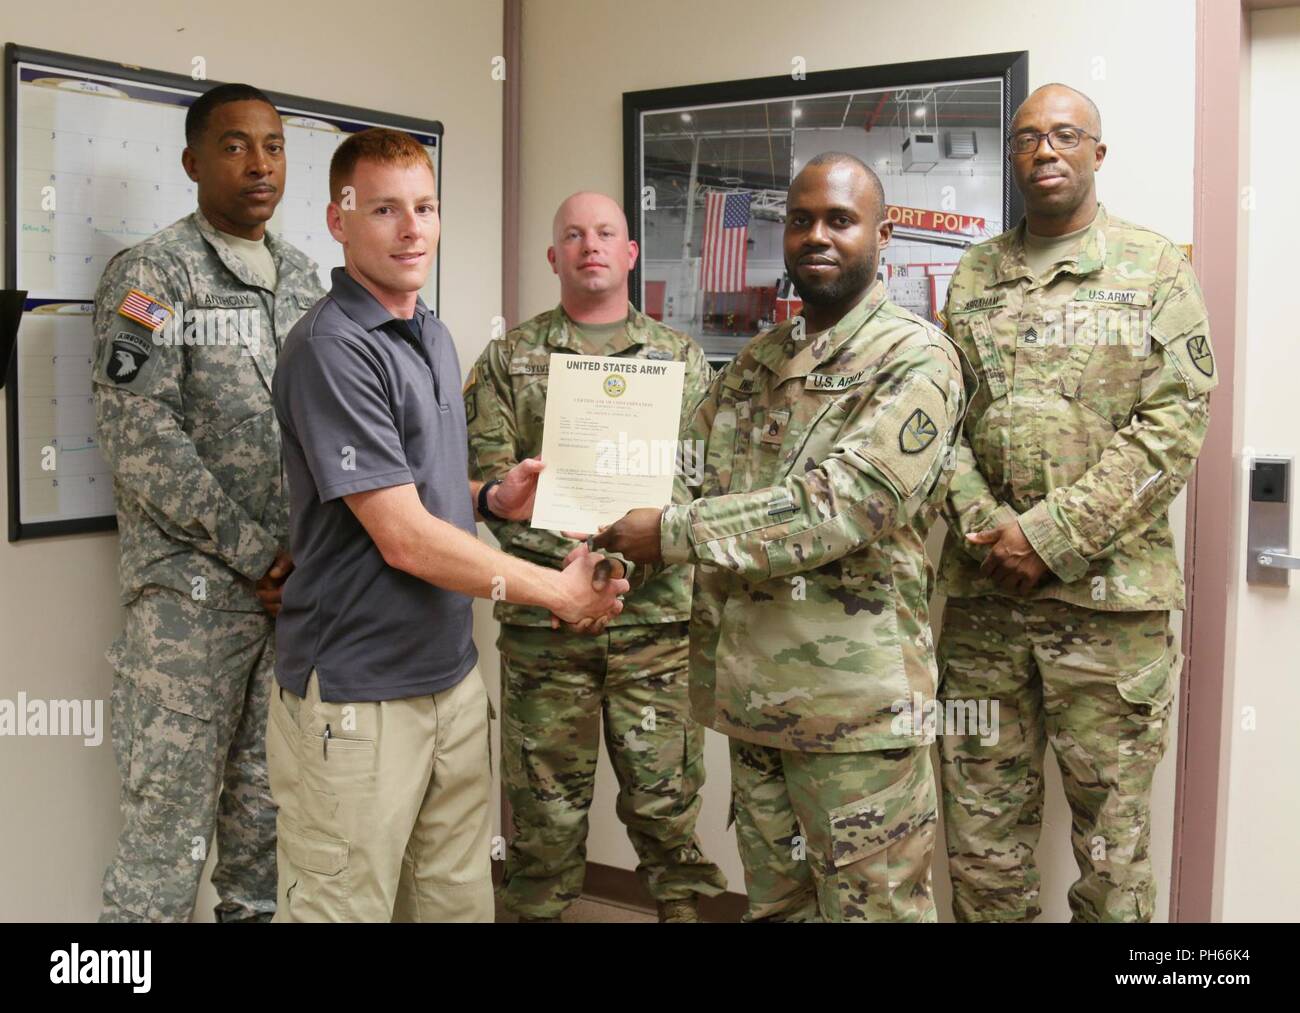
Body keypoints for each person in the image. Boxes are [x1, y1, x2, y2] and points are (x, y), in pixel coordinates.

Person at [589, 153, 969, 921]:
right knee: (776, 907)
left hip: (855, 718)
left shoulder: (916, 357)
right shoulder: (762, 359)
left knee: (875, 912)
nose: (816, 236)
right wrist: (586, 500)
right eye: (801, 220)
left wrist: (665, 530)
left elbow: (840, 505)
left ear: (882, 234)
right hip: (755, 700)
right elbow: (689, 469)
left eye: (839, 219)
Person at [269, 129, 627, 922]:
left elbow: (421, 493)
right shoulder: (333, 348)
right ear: (339, 219)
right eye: (385, 209)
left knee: (455, 902)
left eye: (424, 207)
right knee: (340, 909)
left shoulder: (429, 332)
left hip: (449, 681)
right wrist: (557, 594)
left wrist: (491, 497)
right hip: (361, 696)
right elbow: (401, 535)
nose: (411, 229)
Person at [936, 84, 1217, 922]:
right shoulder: (975, 272)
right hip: (985, 605)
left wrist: (1050, 535)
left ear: (1100, 153)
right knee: (981, 840)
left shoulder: (1156, 266)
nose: (1045, 151)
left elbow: (1174, 424)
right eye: (1027, 139)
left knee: (1113, 848)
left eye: (1065, 135)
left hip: (1109, 612)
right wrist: (990, 526)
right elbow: (937, 420)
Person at [94, 83, 325, 922]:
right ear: (192, 161)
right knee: (161, 849)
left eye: (272, 145)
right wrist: (260, 550)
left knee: (267, 841)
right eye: (234, 145)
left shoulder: (305, 278)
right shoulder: (151, 277)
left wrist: (304, 557)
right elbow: (139, 434)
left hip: (289, 603)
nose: (259, 163)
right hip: (190, 609)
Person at [465, 191, 727, 923]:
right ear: (554, 257)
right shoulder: (510, 357)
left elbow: (704, 483)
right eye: (574, 236)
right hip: (547, 631)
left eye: (607, 232)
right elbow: (490, 484)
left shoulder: (681, 359)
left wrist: (630, 564)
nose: (591, 246)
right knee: (542, 826)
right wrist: (567, 577)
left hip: (657, 632)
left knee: (668, 815)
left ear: (631, 252)